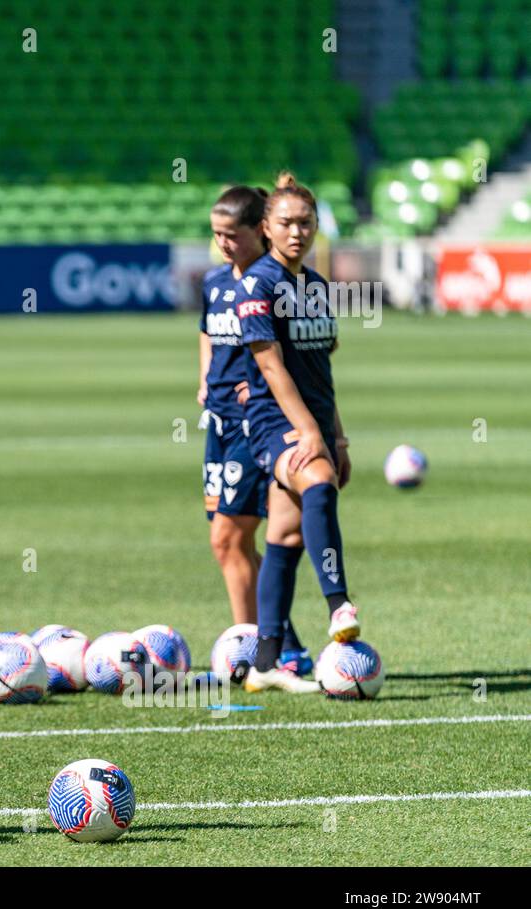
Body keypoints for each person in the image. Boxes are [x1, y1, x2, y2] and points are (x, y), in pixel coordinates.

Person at [235, 173, 358, 693]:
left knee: (283, 536)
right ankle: (339, 606)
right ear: (266, 227)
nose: (296, 232)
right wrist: (310, 434)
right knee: (319, 483)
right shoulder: (257, 284)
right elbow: (271, 366)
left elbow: (319, 370)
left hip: (314, 419)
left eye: (305, 223)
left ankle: (265, 661)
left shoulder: (315, 286)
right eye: (285, 222)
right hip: (272, 420)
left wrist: (338, 435)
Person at [199, 186, 310, 675]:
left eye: (232, 235)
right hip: (218, 423)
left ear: (259, 231)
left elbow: (292, 355)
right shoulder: (216, 282)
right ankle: (283, 644)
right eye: (216, 235)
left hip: (254, 426)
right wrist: (204, 377)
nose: (223, 243)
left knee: (228, 538)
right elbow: (208, 331)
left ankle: (253, 653)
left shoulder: (271, 286)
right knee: (228, 541)